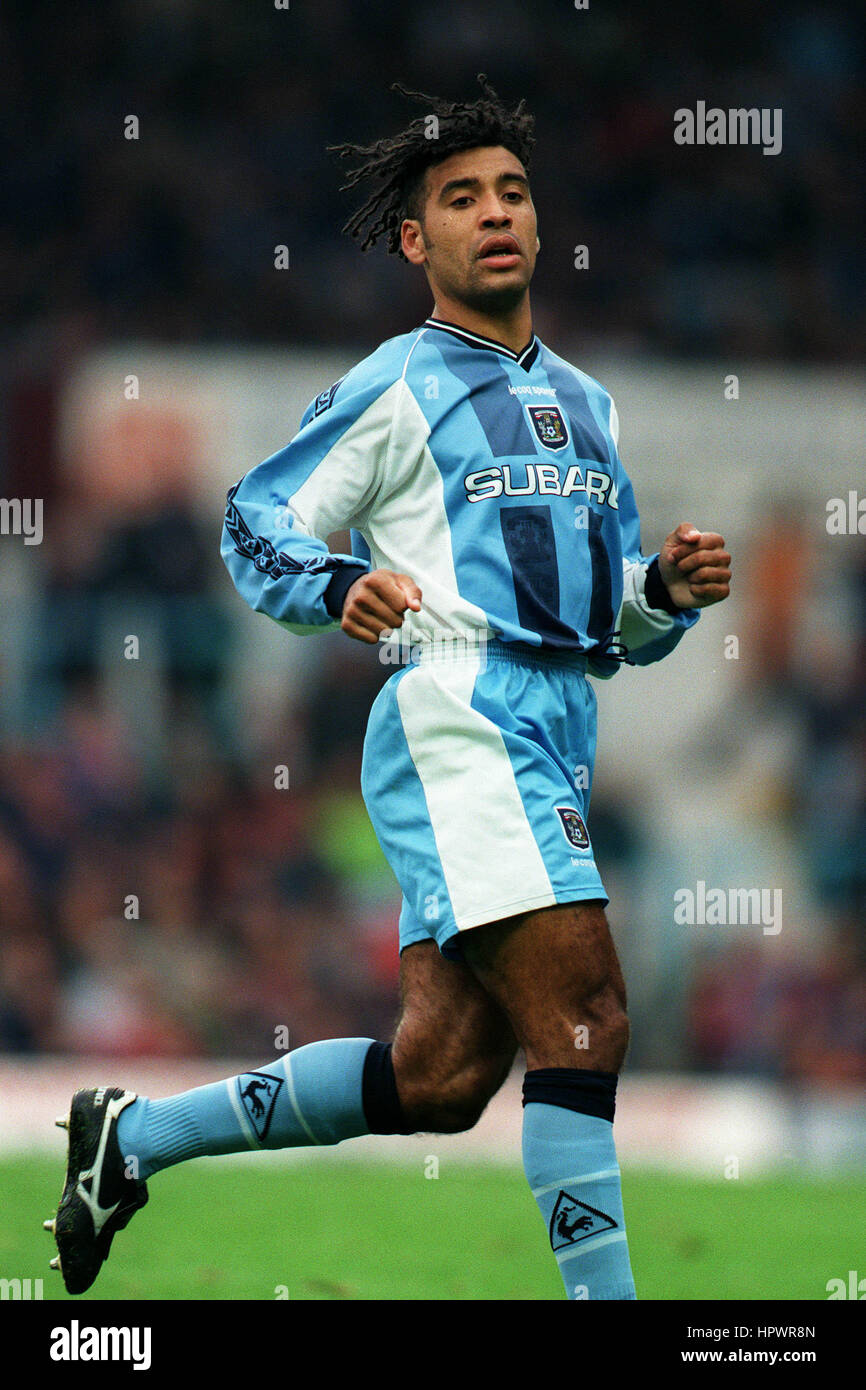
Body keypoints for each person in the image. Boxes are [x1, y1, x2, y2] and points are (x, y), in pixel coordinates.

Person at [45, 76, 731, 1300]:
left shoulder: (589, 403)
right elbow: (256, 519)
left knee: (442, 1076)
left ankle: (132, 1138)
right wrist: (338, 584)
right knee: (586, 1015)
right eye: (460, 198)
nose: (494, 213)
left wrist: (664, 591)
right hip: (461, 708)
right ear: (416, 241)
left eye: (511, 191)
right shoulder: (397, 383)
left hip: (556, 714)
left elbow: (610, 624)